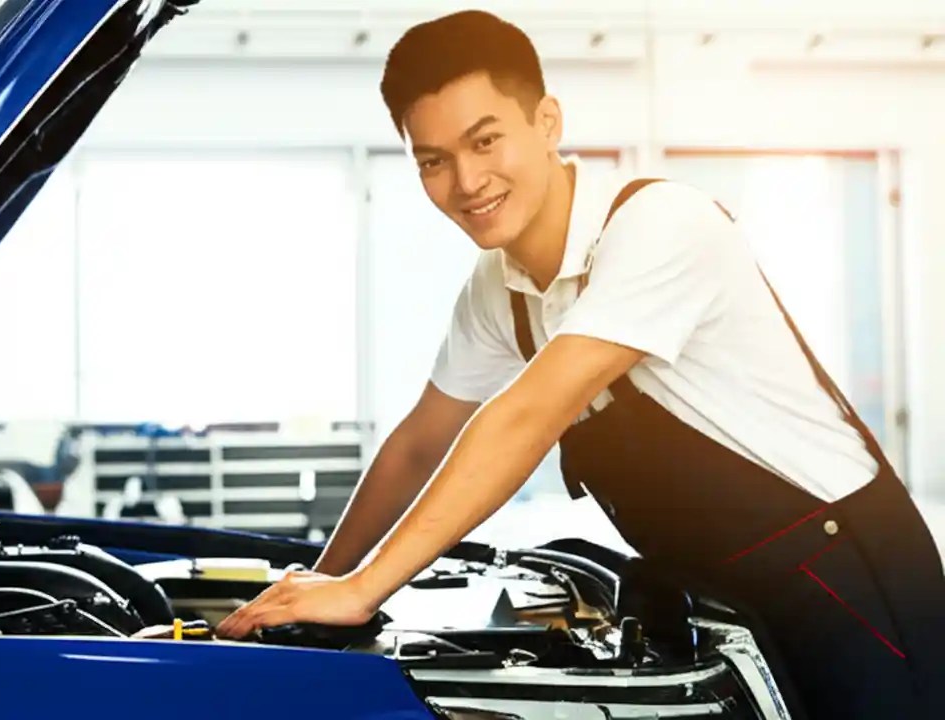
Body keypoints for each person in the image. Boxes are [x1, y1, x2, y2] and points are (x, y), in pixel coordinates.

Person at [215, 10, 944, 718]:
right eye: (433, 161)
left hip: (845, 575)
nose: (466, 182)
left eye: (485, 140)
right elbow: (418, 444)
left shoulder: (660, 225)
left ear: (548, 123)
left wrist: (365, 589)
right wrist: (326, 577)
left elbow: (529, 415)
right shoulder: (499, 291)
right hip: (723, 587)